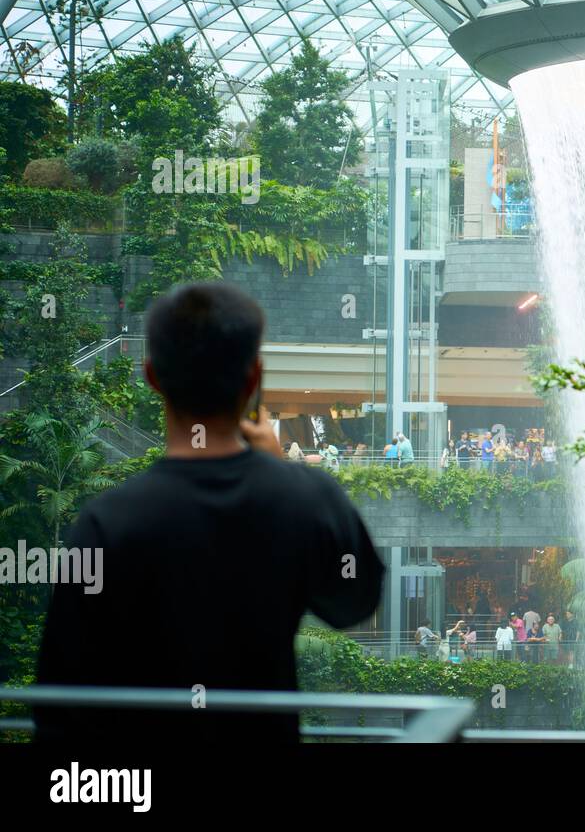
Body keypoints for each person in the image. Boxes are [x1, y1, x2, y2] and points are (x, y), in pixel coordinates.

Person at [35, 282, 384, 742]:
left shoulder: (106, 522)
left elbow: (61, 700)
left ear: (153, 376)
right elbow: (354, 602)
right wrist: (282, 474)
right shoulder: (306, 498)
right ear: (254, 378)